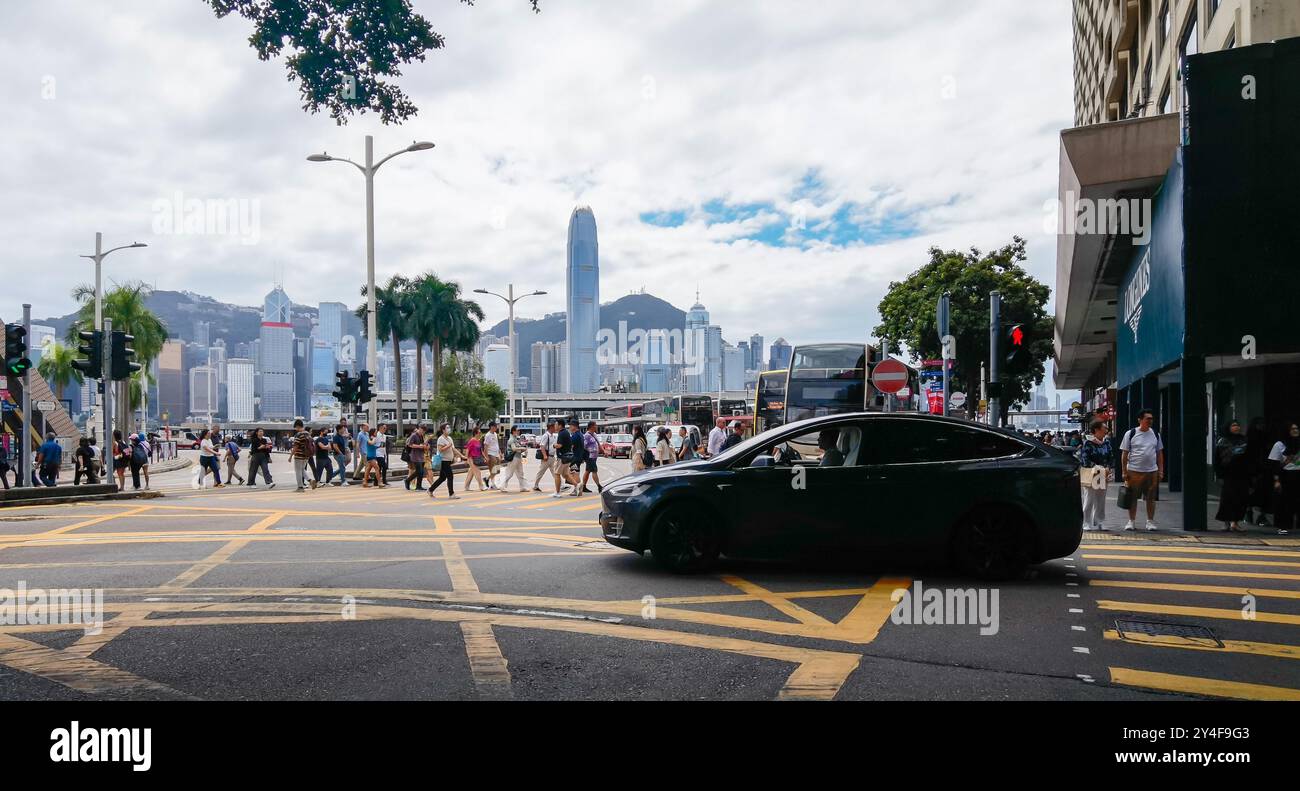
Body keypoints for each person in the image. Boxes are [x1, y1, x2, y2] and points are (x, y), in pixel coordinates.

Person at [1119, 409, 1164, 531]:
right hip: (1134, 471)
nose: (1150, 421)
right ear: (1140, 420)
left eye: (1151, 418)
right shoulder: (1131, 433)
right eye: (1147, 418)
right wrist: (1124, 471)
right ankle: (1131, 521)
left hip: (1151, 471)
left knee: (1151, 497)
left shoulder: (1155, 434)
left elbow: (1159, 453)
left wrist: (1161, 470)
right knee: (1132, 497)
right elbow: (1124, 454)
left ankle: (1150, 521)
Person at [1214, 420, 1252, 532]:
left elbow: (1249, 457)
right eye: (1233, 425)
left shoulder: (1244, 440)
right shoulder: (1222, 441)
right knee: (1227, 498)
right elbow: (1217, 460)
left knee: (1241, 498)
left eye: (1238, 425)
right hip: (1228, 474)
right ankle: (1226, 522)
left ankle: (1235, 522)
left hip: (1242, 474)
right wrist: (1219, 474)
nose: (1236, 427)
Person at [1078, 421, 1113, 531]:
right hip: (1091, 474)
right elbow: (1085, 459)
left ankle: (1100, 521)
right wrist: (1098, 467)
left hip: (1103, 474)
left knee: (1101, 499)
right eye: (1104, 428)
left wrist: (1108, 467)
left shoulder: (1106, 443)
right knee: (1089, 499)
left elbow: (1111, 457)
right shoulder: (1088, 443)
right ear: (1097, 430)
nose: (1106, 430)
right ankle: (1086, 522)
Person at [1266, 423, 1300, 536]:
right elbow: (1274, 464)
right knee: (1284, 502)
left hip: (1298, 473)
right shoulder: (1280, 445)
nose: (1295, 430)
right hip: (1286, 475)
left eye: (1297, 428)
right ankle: (1283, 526)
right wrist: (1276, 480)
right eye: (1292, 429)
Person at [429, 423, 461, 499]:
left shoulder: (449, 438)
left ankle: (430, 490)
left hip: (448, 460)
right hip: (443, 460)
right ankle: (451, 494)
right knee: (450, 476)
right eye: (447, 428)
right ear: (443, 430)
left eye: (449, 427)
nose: (448, 429)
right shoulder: (441, 439)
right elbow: (440, 450)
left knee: (442, 478)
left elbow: (453, 449)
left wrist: (461, 455)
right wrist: (448, 446)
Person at [533, 419, 559, 493]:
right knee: (541, 472)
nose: (555, 428)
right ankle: (535, 485)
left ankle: (560, 485)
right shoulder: (546, 435)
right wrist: (544, 455)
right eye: (554, 426)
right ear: (551, 427)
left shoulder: (553, 436)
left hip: (552, 457)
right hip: (547, 457)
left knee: (555, 472)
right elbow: (542, 446)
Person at [499, 426, 528, 492]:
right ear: (513, 431)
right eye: (517, 430)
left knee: (520, 473)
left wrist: (523, 450)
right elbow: (514, 449)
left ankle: (523, 487)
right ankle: (502, 486)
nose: (519, 432)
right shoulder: (511, 439)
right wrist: (522, 448)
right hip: (513, 458)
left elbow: (517, 449)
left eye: (519, 430)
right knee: (509, 473)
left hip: (518, 458)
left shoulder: (515, 439)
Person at [580, 420, 604, 494]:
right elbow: (584, 446)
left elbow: (598, 444)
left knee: (588, 471)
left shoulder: (594, 434)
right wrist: (589, 452)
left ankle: (583, 486)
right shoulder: (587, 436)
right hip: (590, 456)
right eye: (595, 425)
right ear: (591, 426)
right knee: (594, 471)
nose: (596, 426)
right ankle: (599, 486)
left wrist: (603, 451)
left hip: (594, 456)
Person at [463, 427, 486, 491]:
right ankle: (481, 486)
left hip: (476, 459)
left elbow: (481, 451)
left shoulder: (478, 441)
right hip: (471, 459)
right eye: (479, 432)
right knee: (478, 472)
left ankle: (466, 486)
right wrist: (466, 459)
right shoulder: (472, 441)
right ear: (475, 433)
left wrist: (485, 457)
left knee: (471, 473)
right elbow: (467, 450)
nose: (480, 434)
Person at [404, 426, 427, 490]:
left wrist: (424, 446)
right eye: (422, 430)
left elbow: (422, 444)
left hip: (421, 455)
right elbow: (410, 444)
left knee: (421, 472)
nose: (423, 432)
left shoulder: (421, 436)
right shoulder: (414, 435)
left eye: (424, 431)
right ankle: (408, 481)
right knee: (419, 471)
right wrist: (419, 446)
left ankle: (418, 486)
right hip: (415, 456)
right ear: (419, 429)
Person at [482, 421, 502, 489]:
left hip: (496, 453)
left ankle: (487, 478)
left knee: (497, 470)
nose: (496, 428)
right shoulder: (487, 435)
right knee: (493, 469)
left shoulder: (495, 434)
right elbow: (485, 447)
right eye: (495, 426)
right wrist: (486, 457)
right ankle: (493, 484)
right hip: (490, 453)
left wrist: (500, 452)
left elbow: (497, 444)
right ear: (491, 427)